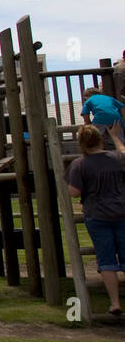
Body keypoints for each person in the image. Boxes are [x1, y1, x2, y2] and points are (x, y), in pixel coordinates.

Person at [65, 122, 125, 316]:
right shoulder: (115, 158)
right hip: (122, 212)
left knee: (106, 259)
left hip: (97, 214)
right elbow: (123, 151)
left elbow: (74, 192)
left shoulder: (79, 164)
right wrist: (115, 137)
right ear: (100, 140)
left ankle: (115, 302)